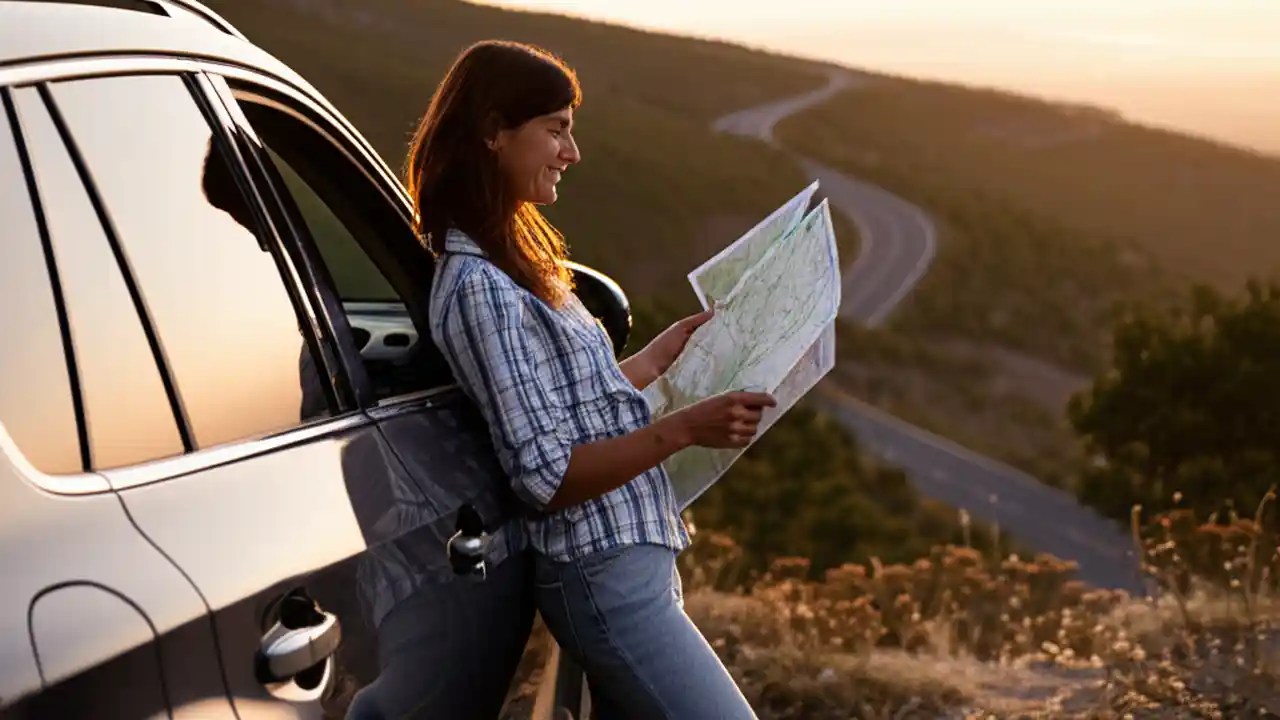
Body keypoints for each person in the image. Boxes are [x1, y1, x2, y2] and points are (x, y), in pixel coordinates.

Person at [407, 40, 775, 719]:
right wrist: (684, 428)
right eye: (556, 129)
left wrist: (659, 357)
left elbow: (576, 408)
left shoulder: (514, 260)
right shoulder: (479, 289)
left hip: (630, 562)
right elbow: (545, 477)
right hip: (602, 575)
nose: (571, 152)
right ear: (492, 132)